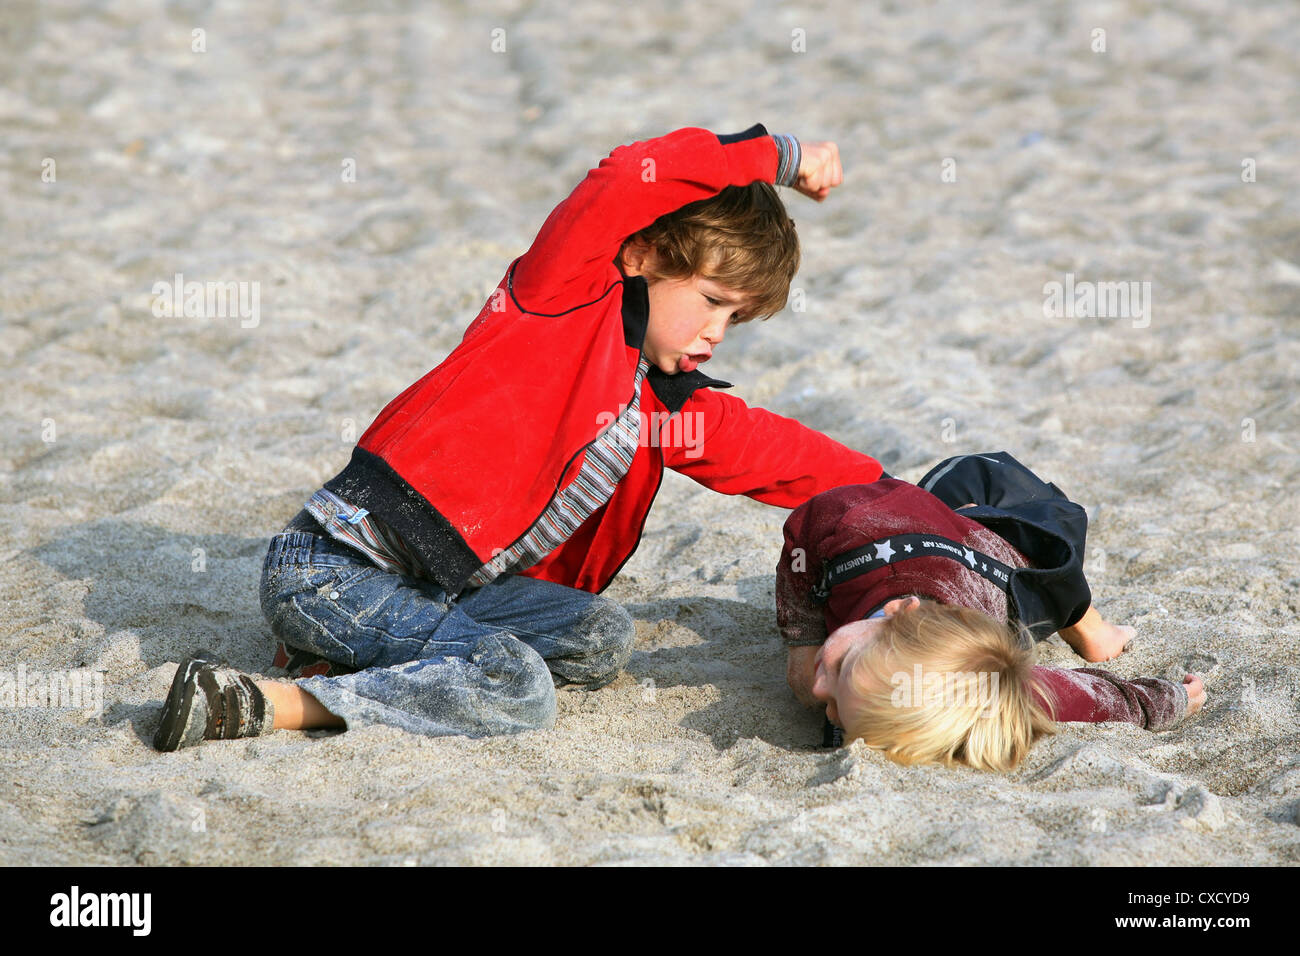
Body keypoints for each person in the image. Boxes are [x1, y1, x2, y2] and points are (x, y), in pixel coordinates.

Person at [154, 123, 894, 751]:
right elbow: (628, 178)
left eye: (735, 319)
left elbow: (775, 455)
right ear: (642, 256)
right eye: (711, 302)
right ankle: (263, 702)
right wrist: (780, 154)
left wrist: (906, 504)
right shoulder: (565, 296)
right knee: (516, 689)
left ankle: (341, 660)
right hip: (329, 573)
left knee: (601, 635)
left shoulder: (657, 404)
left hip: (421, 589)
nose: (716, 332)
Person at [775, 451, 1206, 771]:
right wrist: (804, 642)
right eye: (840, 678)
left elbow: (1082, 698)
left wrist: (1171, 702)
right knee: (959, 488)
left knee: (1042, 577)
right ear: (895, 612)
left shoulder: (978, 670)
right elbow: (807, 525)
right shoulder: (853, 529)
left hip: (991, 557)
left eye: (833, 704)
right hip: (962, 525)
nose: (816, 693)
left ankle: (1089, 625)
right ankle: (1089, 626)